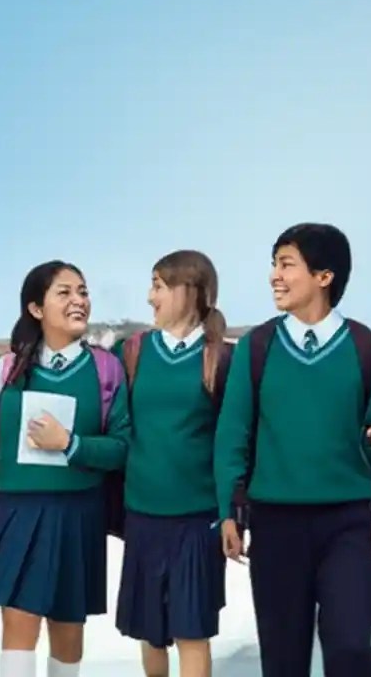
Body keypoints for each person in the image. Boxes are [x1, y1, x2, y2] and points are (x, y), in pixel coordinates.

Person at [213, 223, 371, 677]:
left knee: (352, 650)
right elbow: (232, 433)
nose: (275, 276)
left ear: (324, 275)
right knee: (283, 657)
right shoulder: (257, 347)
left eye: (286, 264)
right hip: (276, 523)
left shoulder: (365, 347)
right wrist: (227, 512)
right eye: (274, 265)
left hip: (349, 523)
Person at [0, 260, 131, 677]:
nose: (79, 301)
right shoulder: (3, 372)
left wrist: (71, 445)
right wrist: (1, 504)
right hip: (17, 513)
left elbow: (122, 446)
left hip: (80, 515)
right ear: (36, 308)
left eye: (83, 292)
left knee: (68, 632)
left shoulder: (106, 370)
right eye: (65, 292)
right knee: (18, 628)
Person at [114, 250, 231, 677]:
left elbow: (234, 442)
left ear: (190, 290)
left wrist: (231, 514)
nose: (150, 297)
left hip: (198, 523)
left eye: (158, 286)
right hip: (143, 518)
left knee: (192, 632)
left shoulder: (222, 358)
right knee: (151, 634)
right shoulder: (134, 351)